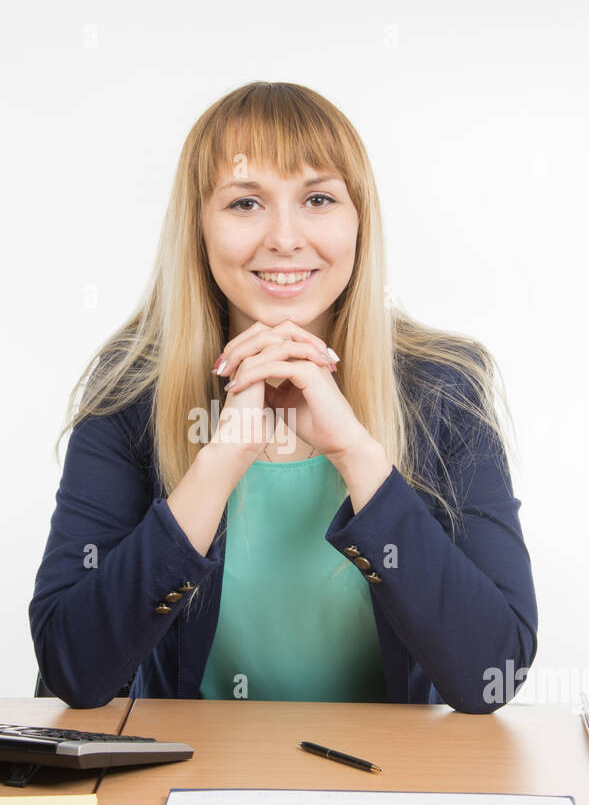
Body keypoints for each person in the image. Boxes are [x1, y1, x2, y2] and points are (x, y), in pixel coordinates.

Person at [29, 82, 537, 712]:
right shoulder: (132, 388)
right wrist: (219, 462)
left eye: (318, 199)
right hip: (189, 783)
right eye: (246, 204)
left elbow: (494, 669)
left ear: (360, 221)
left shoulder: (446, 387)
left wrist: (355, 451)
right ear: (199, 226)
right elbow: (73, 670)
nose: (286, 238)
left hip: (386, 790)